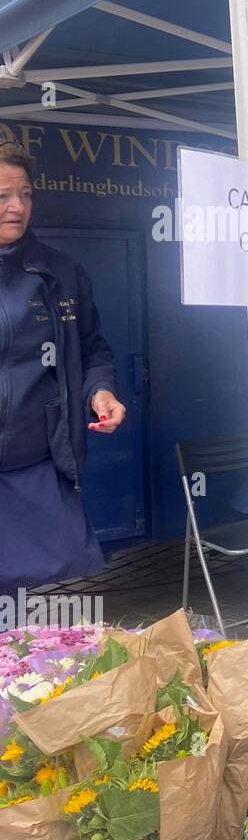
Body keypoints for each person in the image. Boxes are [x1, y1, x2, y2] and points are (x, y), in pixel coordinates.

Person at [0, 142, 126, 587]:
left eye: (26, 194)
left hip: (35, 466)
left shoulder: (62, 272)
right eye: (2, 196)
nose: (17, 207)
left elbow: (92, 348)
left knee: (22, 613)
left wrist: (101, 391)